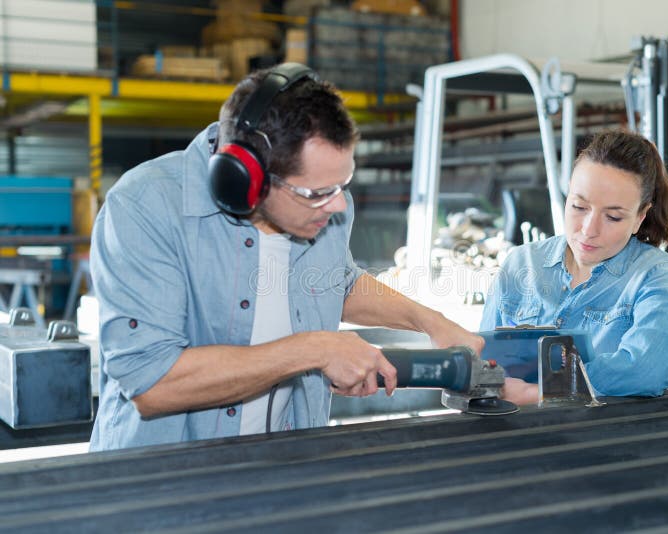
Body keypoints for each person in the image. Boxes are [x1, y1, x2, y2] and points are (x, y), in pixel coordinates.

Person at [89, 63, 484, 451]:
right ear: (245, 179)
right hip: (163, 487)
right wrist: (316, 350)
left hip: (281, 470)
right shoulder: (146, 207)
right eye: (316, 193)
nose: (337, 206)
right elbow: (152, 383)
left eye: (341, 185)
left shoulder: (323, 214)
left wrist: (431, 322)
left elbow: (337, 282)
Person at [480, 130, 668, 405]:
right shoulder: (521, 263)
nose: (589, 230)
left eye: (613, 217)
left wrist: (539, 392)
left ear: (640, 217)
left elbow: (648, 369)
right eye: (579, 206)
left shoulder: (656, 275)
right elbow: (484, 362)